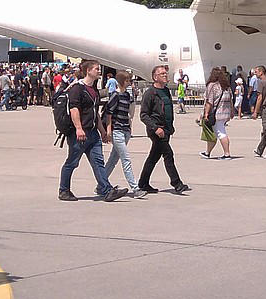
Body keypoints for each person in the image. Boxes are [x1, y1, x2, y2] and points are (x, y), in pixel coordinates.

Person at [57, 59, 129, 202]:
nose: (99, 71)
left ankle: (107, 190)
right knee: (72, 162)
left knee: (98, 162)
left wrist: (102, 131)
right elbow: (74, 109)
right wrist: (78, 128)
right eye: (96, 69)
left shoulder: (94, 90)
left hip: (93, 133)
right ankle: (63, 190)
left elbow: (95, 113)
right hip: (80, 134)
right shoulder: (77, 88)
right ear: (88, 71)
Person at [138, 65, 190, 194]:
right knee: (168, 154)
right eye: (162, 74)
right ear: (155, 77)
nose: (165, 75)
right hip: (157, 130)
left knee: (153, 157)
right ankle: (176, 183)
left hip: (166, 129)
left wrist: (170, 127)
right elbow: (143, 115)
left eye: (166, 73)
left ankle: (143, 183)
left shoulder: (166, 91)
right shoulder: (150, 93)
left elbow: (168, 110)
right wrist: (155, 128)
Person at [102, 70, 145, 198]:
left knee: (113, 159)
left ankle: (101, 184)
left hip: (125, 130)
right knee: (125, 159)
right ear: (122, 81)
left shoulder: (127, 95)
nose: (129, 82)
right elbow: (109, 113)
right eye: (128, 80)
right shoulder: (115, 95)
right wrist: (109, 130)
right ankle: (135, 188)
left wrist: (129, 127)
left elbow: (128, 113)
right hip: (117, 131)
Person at [199, 67, 232, 159]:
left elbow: (209, 101)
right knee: (213, 132)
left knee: (221, 133)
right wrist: (232, 112)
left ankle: (227, 154)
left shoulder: (212, 86)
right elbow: (231, 100)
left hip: (216, 114)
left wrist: (206, 114)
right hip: (225, 113)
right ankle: (207, 152)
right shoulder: (226, 86)